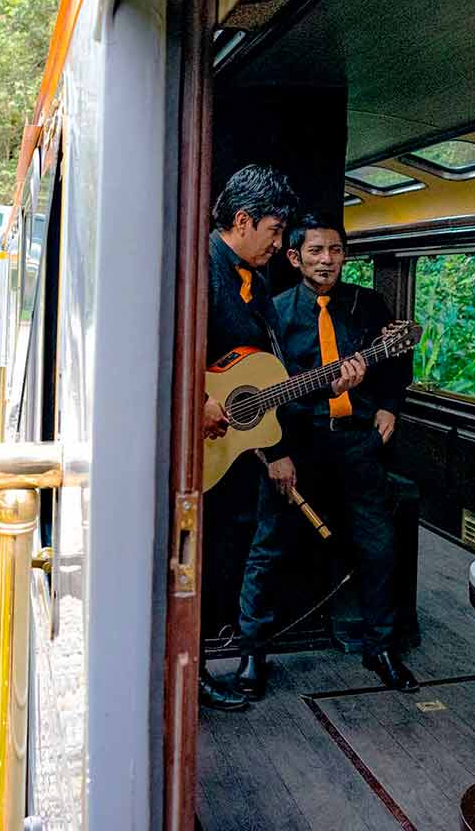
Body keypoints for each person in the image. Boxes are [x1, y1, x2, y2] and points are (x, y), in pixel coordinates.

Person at [233, 214, 418, 700]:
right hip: (296, 444)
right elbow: (263, 389)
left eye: (335, 251)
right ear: (294, 258)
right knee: (268, 548)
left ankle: (380, 645)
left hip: (357, 441)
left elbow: (398, 360)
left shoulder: (368, 304)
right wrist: (277, 452)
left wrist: (389, 407)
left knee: (378, 546)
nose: (327, 260)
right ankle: (252, 651)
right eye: (316, 251)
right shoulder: (272, 313)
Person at [199, 173, 364, 713]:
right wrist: (195, 402)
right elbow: (164, 350)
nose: (279, 245)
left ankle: (207, 665)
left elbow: (270, 375)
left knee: (223, 554)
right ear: (242, 222)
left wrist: (327, 379)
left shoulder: (255, 281)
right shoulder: (200, 271)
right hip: (198, 444)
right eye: (273, 231)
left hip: (240, 453)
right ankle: (187, 674)